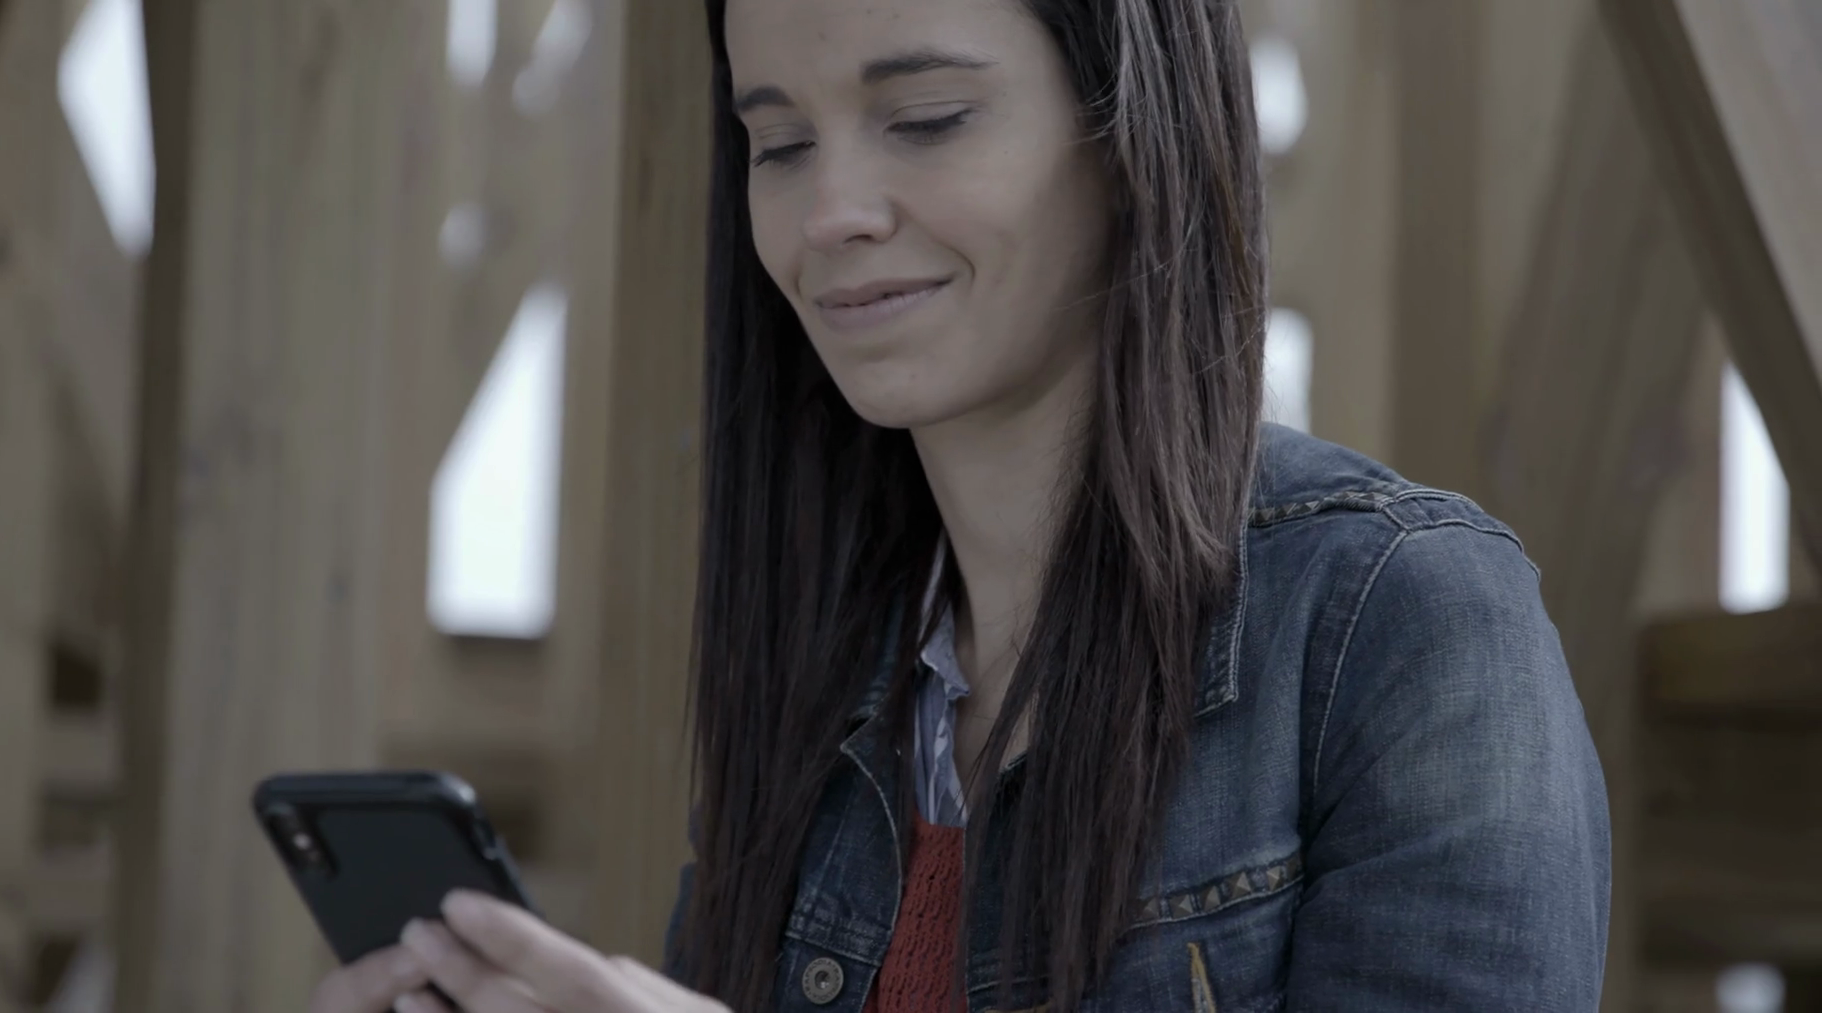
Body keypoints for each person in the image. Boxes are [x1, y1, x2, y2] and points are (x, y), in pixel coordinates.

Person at [313, 0, 1612, 1010]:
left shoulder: (1407, 631)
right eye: (778, 142)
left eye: (925, 116)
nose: (831, 214)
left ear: (1126, 125)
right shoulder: (822, 697)